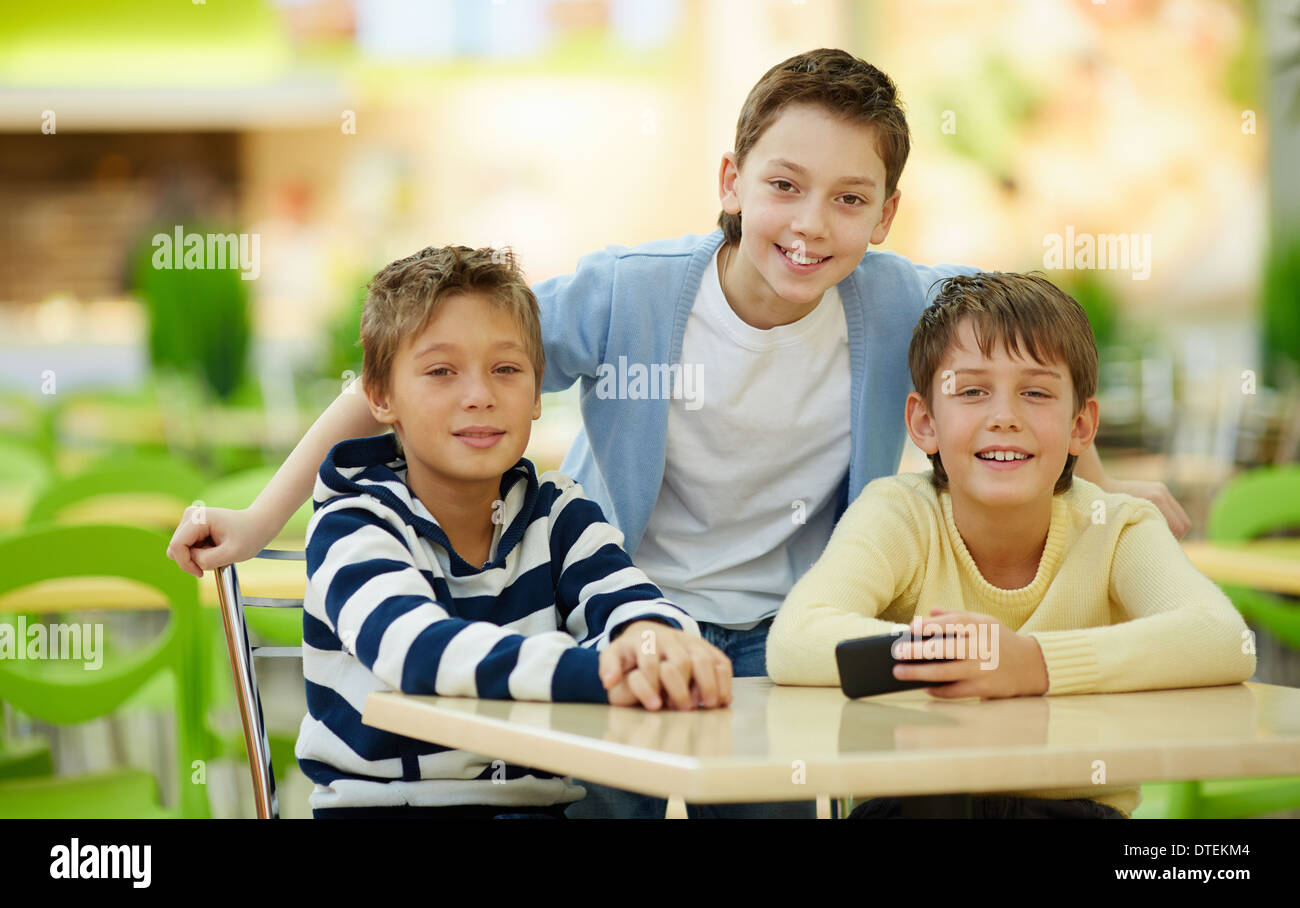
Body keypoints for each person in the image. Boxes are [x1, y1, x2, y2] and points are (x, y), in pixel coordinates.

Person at [167, 48, 1190, 818]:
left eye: (847, 199)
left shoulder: (898, 299)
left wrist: (1097, 491)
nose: (808, 222)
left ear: (884, 216)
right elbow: (414, 364)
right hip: (629, 624)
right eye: (782, 184)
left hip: (794, 639)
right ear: (730, 181)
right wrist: (265, 516)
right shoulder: (628, 295)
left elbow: (1028, 357)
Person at [765, 272, 1255, 819]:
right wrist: (957, 657)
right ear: (924, 422)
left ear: (1080, 425)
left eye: (1036, 392)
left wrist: (1033, 664)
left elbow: (1224, 639)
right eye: (971, 391)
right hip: (920, 804)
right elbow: (795, 638)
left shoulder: (1117, 526)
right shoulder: (899, 512)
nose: (1004, 417)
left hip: (1073, 809)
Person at [295, 245, 731, 818]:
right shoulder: (354, 523)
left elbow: (631, 599)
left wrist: (658, 644)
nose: (479, 395)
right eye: (441, 371)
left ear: (537, 394)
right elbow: (419, 653)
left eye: (506, 369)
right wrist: (600, 669)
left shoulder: (556, 513)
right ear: (380, 396)